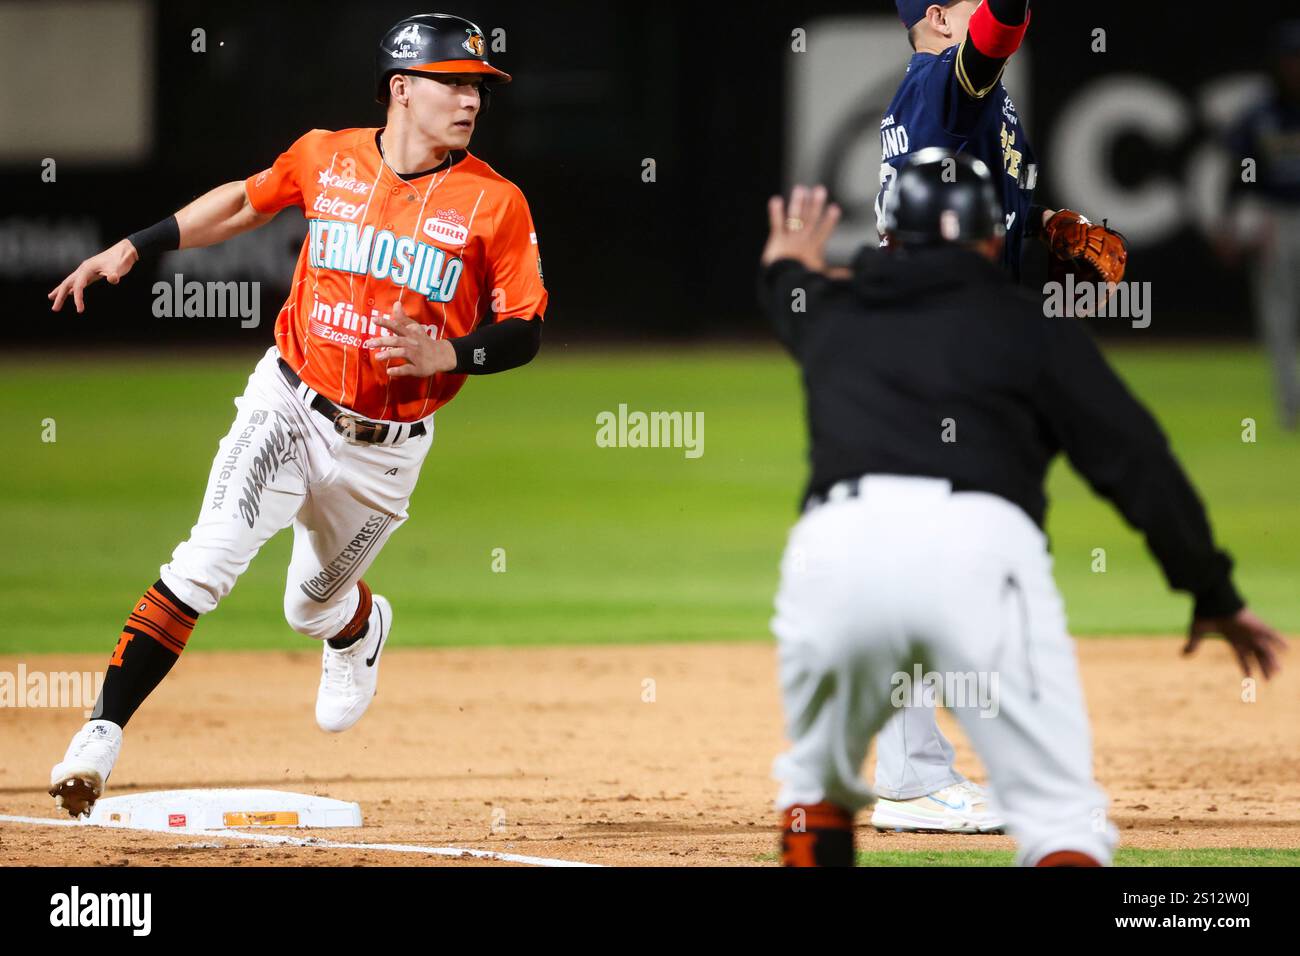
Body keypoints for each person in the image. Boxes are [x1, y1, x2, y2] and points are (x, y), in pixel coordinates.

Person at [45, 13, 547, 817]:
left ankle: (355, 629)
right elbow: (245, 204)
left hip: (385, 452)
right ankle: (99, 734)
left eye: (477, 86)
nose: (470, 99)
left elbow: (524, 328)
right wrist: (137, 246)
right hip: (288, 403)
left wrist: (449, 355)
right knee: (206, 559)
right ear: (401, 89)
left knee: (308, 604)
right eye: (453, 82)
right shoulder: (328, 155)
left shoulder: (495, 203)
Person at [762, 150, 1286, 866]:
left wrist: (787, 263)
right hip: (980, 551)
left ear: (890, 233)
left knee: (815, 788)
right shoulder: (1031, 328)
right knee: (1061, 818)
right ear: (990, 238)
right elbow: (1137, 460)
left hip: (833, 554)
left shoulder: (831, 311)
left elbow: (787, 287)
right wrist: (1212, 590)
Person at [869, 0, 1126, 832]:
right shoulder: (950, 76)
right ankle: (911, 779)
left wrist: (1046, 227)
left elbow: (977, 213)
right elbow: (1003, 24)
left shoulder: (937, 98)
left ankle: (946, 768)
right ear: (941, 16)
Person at [1218, 21, 1300, 430]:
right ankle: (1292, 409)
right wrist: (1231, 225)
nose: (1295, 68)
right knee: (1278, 319)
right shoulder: (1259, 114)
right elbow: (1236, 175)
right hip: (1275, 218)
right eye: (1290, 60)